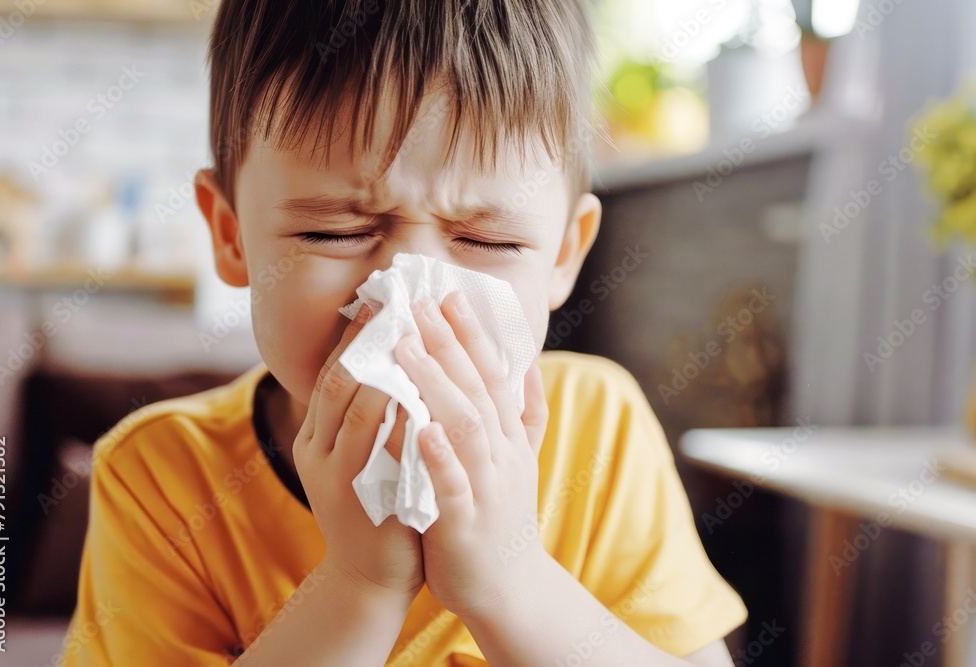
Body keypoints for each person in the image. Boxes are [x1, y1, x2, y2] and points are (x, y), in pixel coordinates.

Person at [60, 1, 746, 664]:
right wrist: (358, 585)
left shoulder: (598, 429)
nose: (409, 299)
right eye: (337, 231)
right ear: (233, 236)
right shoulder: (160, 477)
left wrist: (510, 581)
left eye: (487, 239)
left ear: (565, 253)